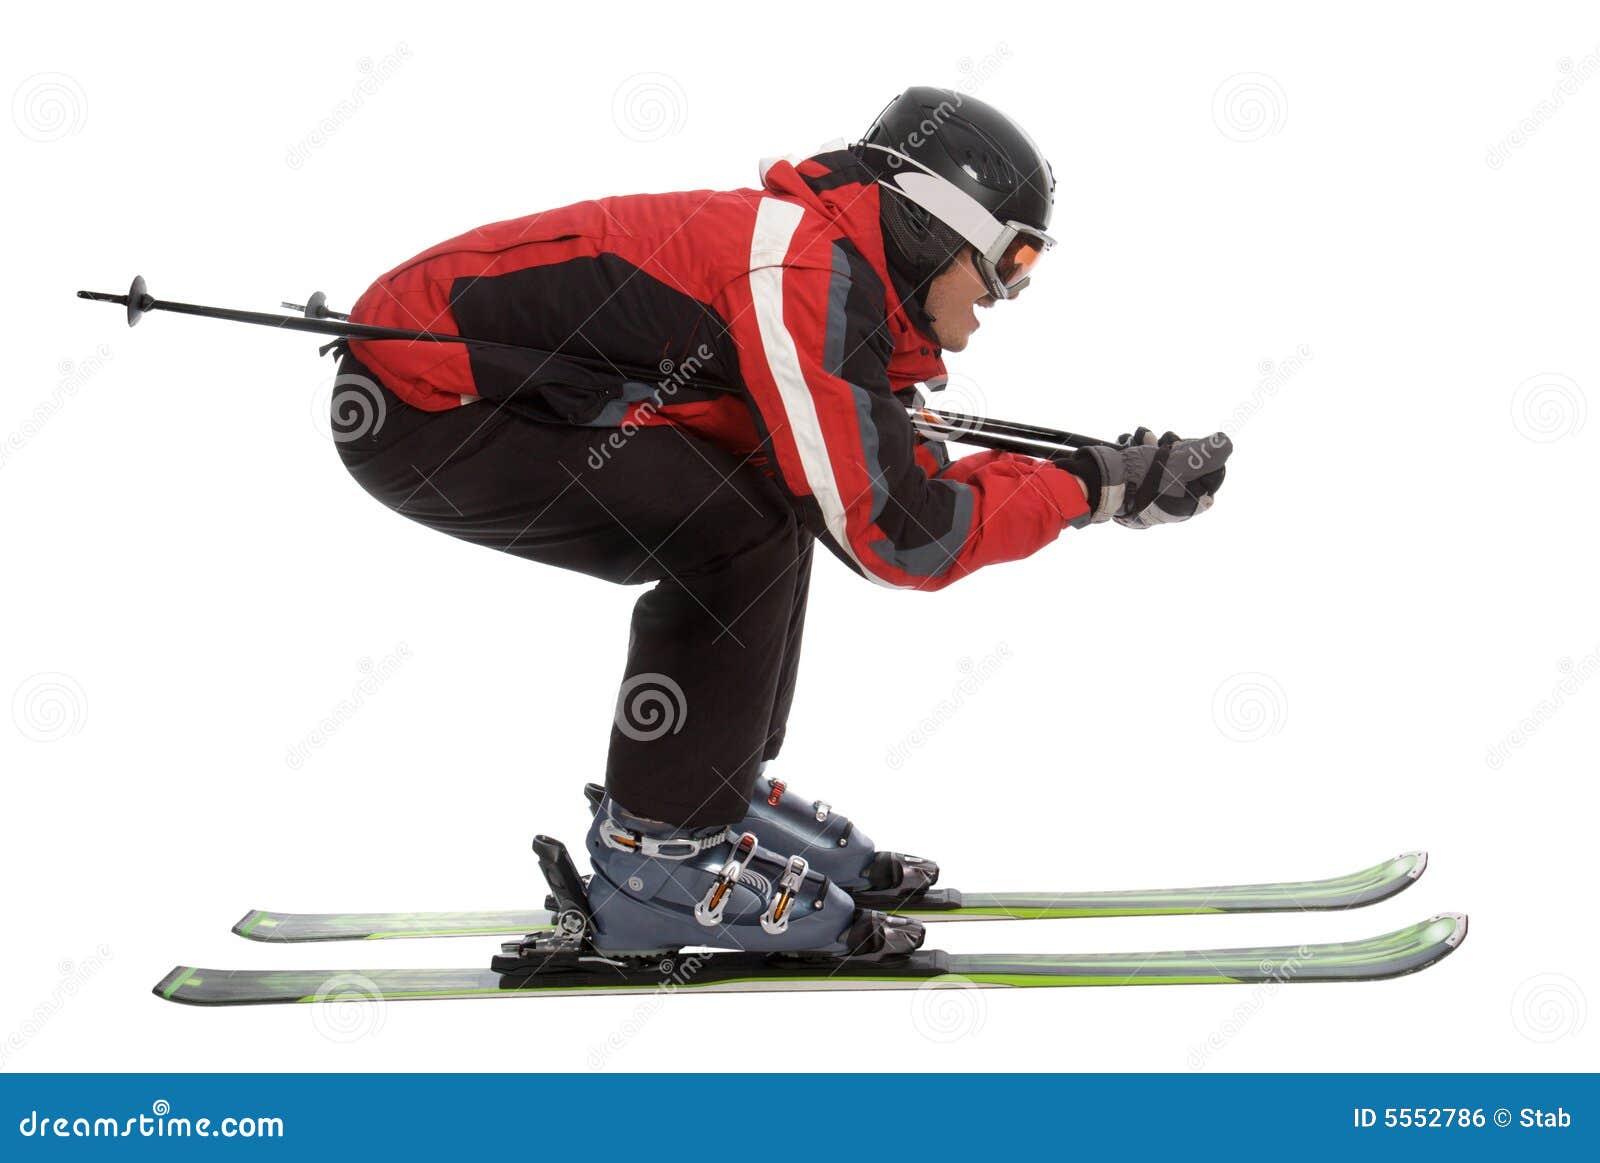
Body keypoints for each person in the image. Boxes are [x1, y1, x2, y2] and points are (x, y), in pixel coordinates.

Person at [331, 86, 1231, 958]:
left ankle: (708, 794)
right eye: (1007, 260)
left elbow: (879, 486)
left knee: (770, 501)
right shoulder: (804, 276)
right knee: (740, 525)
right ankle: (658, 857)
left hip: (512, 400)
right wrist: (1088, 489)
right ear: (928, 230)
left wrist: (1100, 481)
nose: (1005, 293)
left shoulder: (839, 279)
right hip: (426, 405)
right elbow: (900, 532)